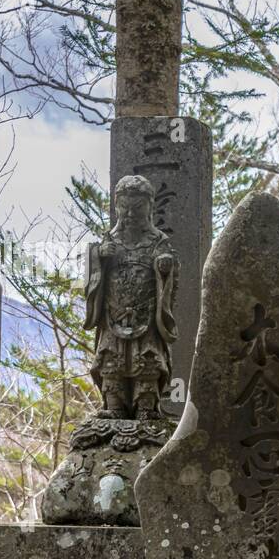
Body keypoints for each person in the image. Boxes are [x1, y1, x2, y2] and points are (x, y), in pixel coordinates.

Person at [84, 175, 179, 420]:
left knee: (148, 363)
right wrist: (99, 258)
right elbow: (93, 271)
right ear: (116, 207)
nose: (129, 214)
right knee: (111, 362)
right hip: (113, 315)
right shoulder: (108, 241)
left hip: (146, 314)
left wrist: (164, 267)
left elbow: (169, 274)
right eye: (124, 208)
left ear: (149, 207)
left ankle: (146, 407)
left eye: (136, 208)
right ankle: (114, 405)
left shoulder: (158, 241)